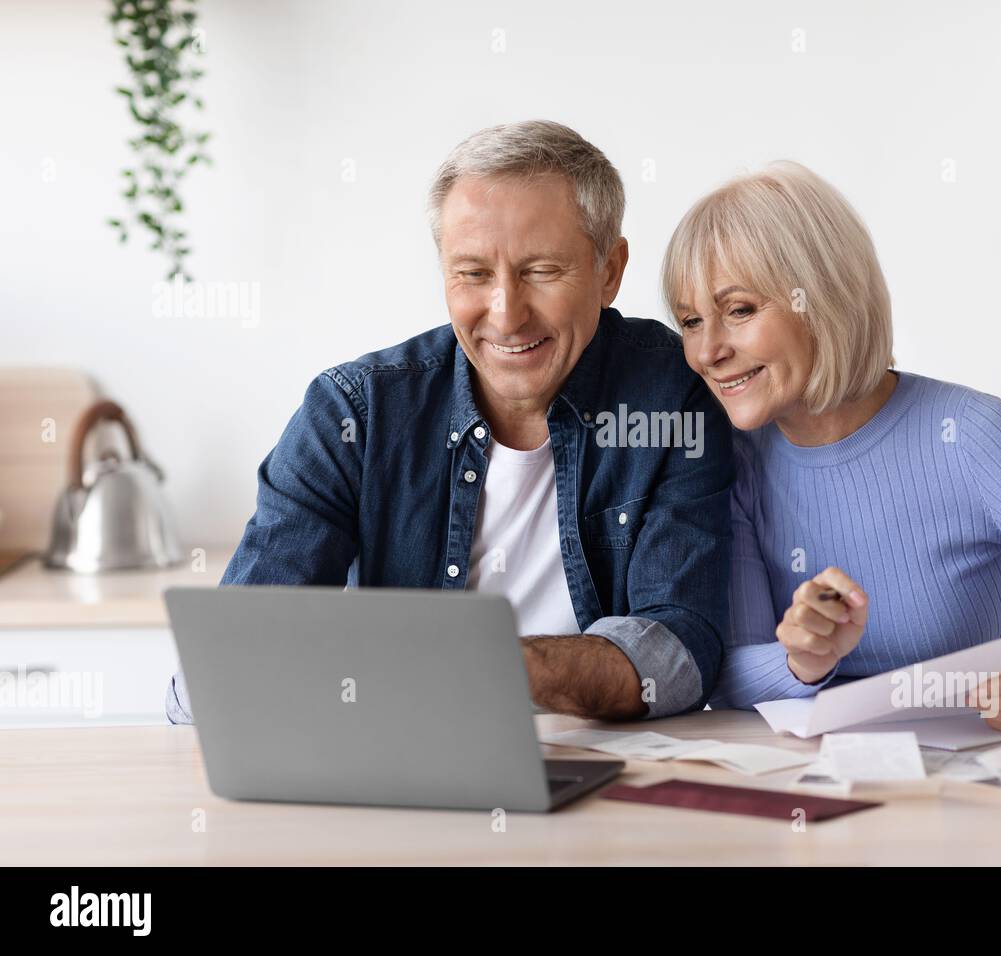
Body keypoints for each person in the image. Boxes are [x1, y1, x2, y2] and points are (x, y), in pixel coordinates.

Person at [166, 120, 733, 725]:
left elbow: (680, 649)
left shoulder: (673, 397)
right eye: (473, 274)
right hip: (400, 756)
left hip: (606, 769)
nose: (506, 314)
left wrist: (489, 664)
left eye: (540, 271)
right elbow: (220, 665)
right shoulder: (353, 413)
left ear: (609, 271)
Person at [661, 160, 1001, 732]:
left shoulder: (971, 434)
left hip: (985, 799)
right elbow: (724, 677)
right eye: (692, 321)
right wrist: (802, 661)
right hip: (822, 800)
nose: (707, 351)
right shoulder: (737, 460)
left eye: (740, 310)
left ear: (822, 298)